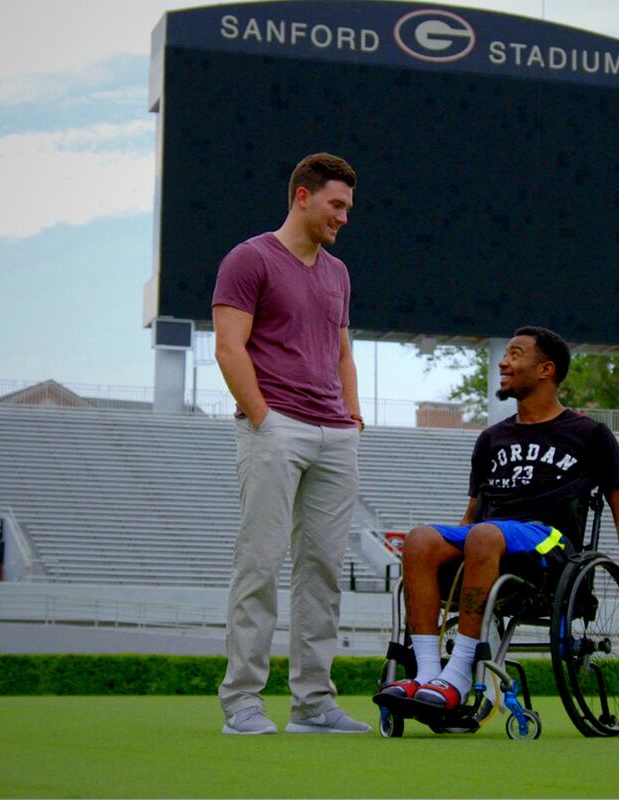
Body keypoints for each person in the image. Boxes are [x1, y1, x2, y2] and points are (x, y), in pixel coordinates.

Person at [375, 326, 619, 712]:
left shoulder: (590, 435)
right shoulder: (490, 438)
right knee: (420, 539)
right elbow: (471, 514)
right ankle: (427, 673)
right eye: (505, 353)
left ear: (545, 370)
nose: (503, 361)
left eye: (516, 354)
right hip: (488, 540)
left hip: (548, 547)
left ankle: (458, 675)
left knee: (485, 535)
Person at [212, 153, 369, 735]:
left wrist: (351, 414)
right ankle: (244, 702)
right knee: (260, 562)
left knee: (323, 569)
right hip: (276, 428)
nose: (344, 217)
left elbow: (343, 351)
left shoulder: (338, 273)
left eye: (348, 208)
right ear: (302, 196)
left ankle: (313, 703)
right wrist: (265, 418)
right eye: (336, 204)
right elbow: (230, 348)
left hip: (334, 434)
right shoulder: (248, 259)